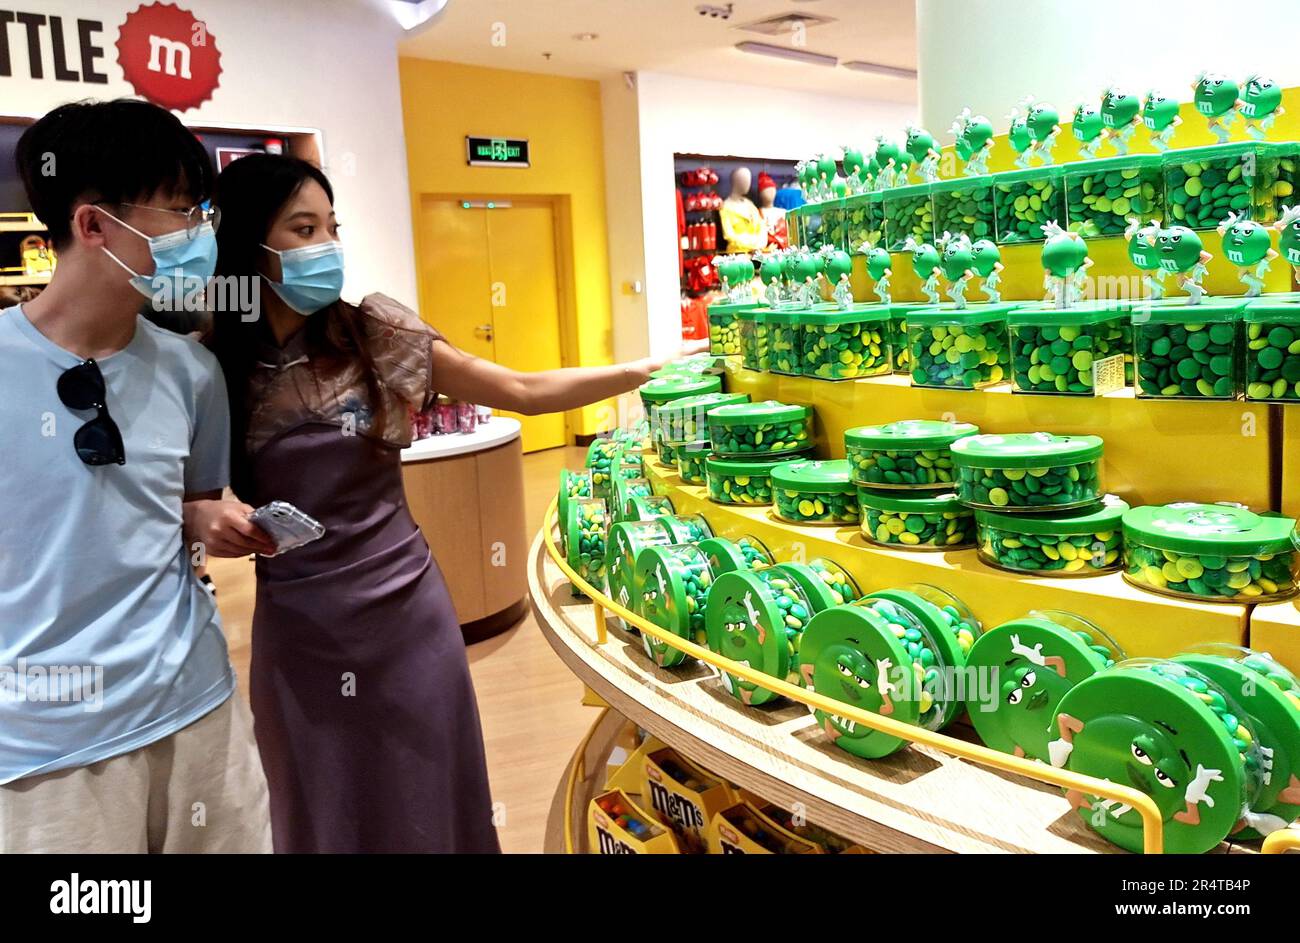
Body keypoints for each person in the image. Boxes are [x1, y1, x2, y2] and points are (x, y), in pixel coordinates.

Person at [203, 154, 701, 853]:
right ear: (249, 247)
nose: (328, 246)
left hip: (406, 613)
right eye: (303, 228)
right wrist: (208, 521)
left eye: (331, 227)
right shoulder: (212, 362)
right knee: (323, 793)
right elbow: (181, 495)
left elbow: (522, 389)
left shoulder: (374, 333)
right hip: (299, 632)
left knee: (425, 785)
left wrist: (645, 370)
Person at [0, 99, 273, 853]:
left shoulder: (193, 372)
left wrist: (213, 521)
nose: (201, 235)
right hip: (47, 750)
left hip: (197, 707)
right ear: (93, 226)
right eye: (183, 211)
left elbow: (185, 505)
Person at [719, 167, 767, 254]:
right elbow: (729, 235)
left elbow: (762, 227)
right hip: (736, 255)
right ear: (735, 182)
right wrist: (753, 243)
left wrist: (761, 243)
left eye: (749, 180)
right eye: (744, 180)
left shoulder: (750, 205)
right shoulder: (726, 207)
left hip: (757, 253)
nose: (748, 183)